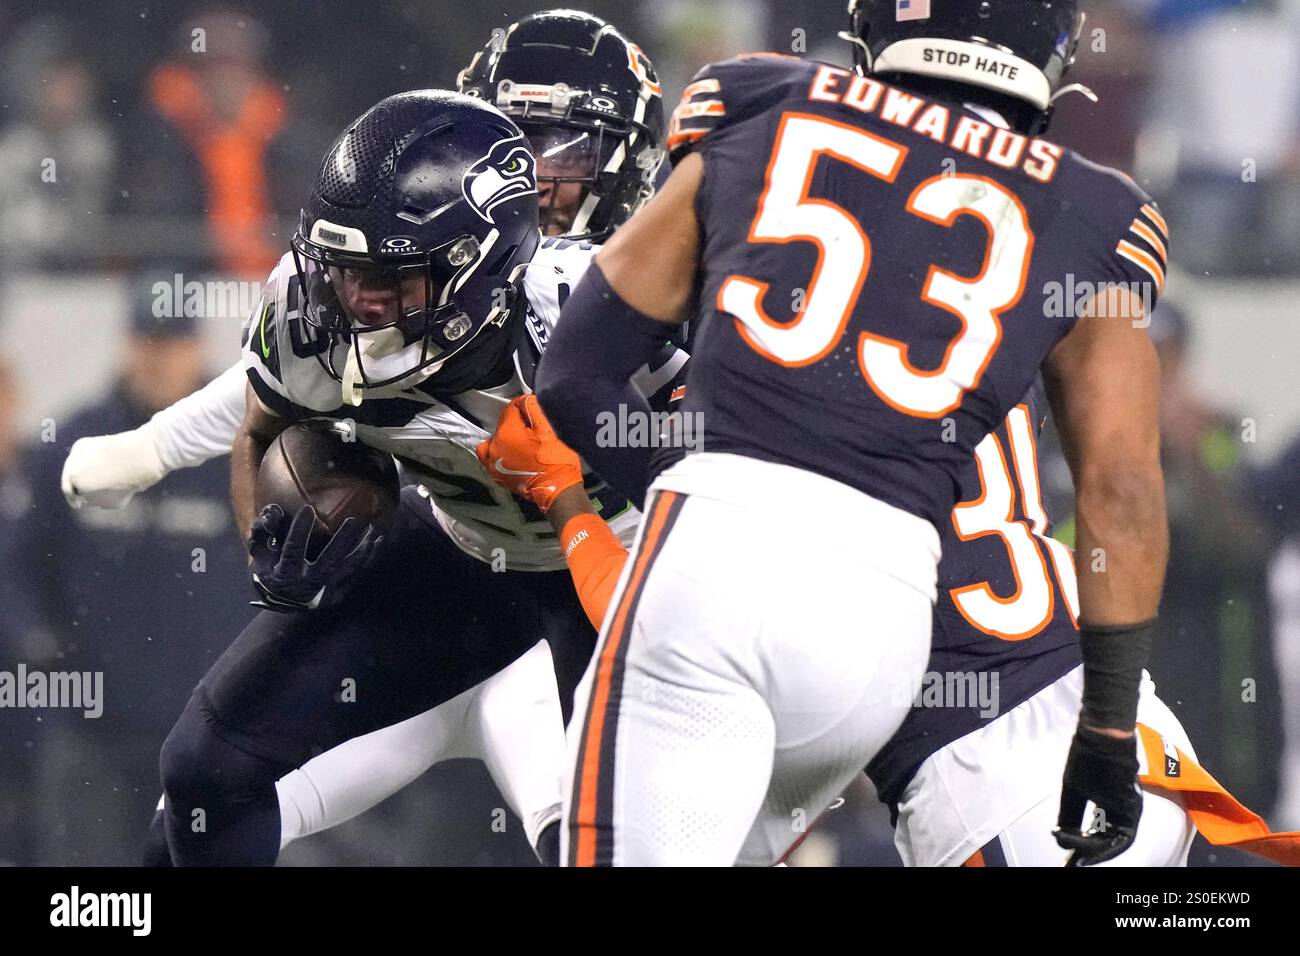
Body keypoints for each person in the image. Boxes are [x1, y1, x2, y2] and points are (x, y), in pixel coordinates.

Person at [536, 0, 1173, 866]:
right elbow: (1123, 494)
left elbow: (575, 371)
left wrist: (683, 471)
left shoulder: (759, 100)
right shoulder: (1094, 209)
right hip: (889, 625)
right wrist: (1106, 728)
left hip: (722, 558)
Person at [61, 12, 675, 866]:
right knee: (203, 772)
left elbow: (730, 470)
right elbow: (262, 411)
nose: (364, 303)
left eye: (556, 148)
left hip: (618, 565)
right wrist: (254, 536)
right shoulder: (326, 296)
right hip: (470, 552)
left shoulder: (602, 301)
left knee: (623, 844)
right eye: (353, 274)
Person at [7, 280, 251, 865]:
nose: (158, 356)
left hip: (207, 730)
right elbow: (16, 563)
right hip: (96, 727)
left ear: (196, 349)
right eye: (147, 340)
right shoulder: (77, 441)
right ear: (126, 344)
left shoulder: (247, 445)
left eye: (172, 342)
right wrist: (38, 644)